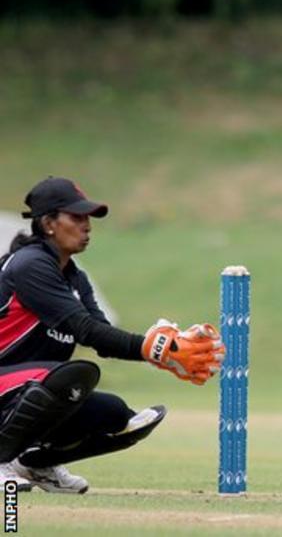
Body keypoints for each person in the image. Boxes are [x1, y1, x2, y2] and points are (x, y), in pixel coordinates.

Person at [0, 176, 225, 493]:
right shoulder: (29, 265)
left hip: (25, 387)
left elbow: (103, 337)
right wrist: (150, 348)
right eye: (76, 217)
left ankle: (33, 465)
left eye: (88, 218)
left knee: (115, 415)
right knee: (71, 377)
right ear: (49, 223)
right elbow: (85, 330)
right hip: (14, 383)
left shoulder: (75, 278)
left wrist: (160, 350)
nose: (87, 225)